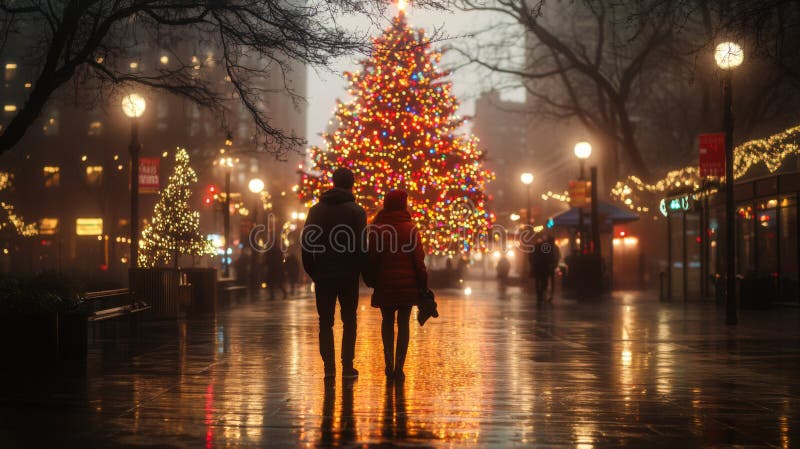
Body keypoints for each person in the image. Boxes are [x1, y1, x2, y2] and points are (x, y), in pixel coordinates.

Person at [302, 168, 367, 380]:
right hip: (348, 275)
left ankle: (329, 367)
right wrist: (360, 271)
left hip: (323, 274)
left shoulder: (316, 211)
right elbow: (361, 247)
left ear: (333, 182)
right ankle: (347, 365)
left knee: (325, 322)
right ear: (351, 185)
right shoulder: (356, 212)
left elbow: (307, 243)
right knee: (349, 320)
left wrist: (313, 270)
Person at [366, 190, 427, 381]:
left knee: (387, 322)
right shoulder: (410, 228)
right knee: (403, 324)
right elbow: (419, 261)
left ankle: (389, 364)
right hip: (408, 286)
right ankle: (399, 366)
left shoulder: (377, 228)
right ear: (403, 205)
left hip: (385, 284)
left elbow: (372, 258)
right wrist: (423, 285)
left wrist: (372, 280)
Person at [528, 235, 551, 302]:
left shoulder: (535, 247)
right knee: (543, 280)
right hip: (544, 266)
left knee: (538, 281)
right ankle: (542, 291)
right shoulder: (546, 247)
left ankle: (539, 293)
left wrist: (532, 263)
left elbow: (530, 256)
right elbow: (549, 256)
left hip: (538, 266)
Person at [547, 235, 560, 301]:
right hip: (549, 265)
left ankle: (550, 294)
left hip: (550, 265)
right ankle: (549, 294)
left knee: (550, 279)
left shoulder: (553, 247)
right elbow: (558, 256)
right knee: (550, 280)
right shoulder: (554, 247)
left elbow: (558, 256)